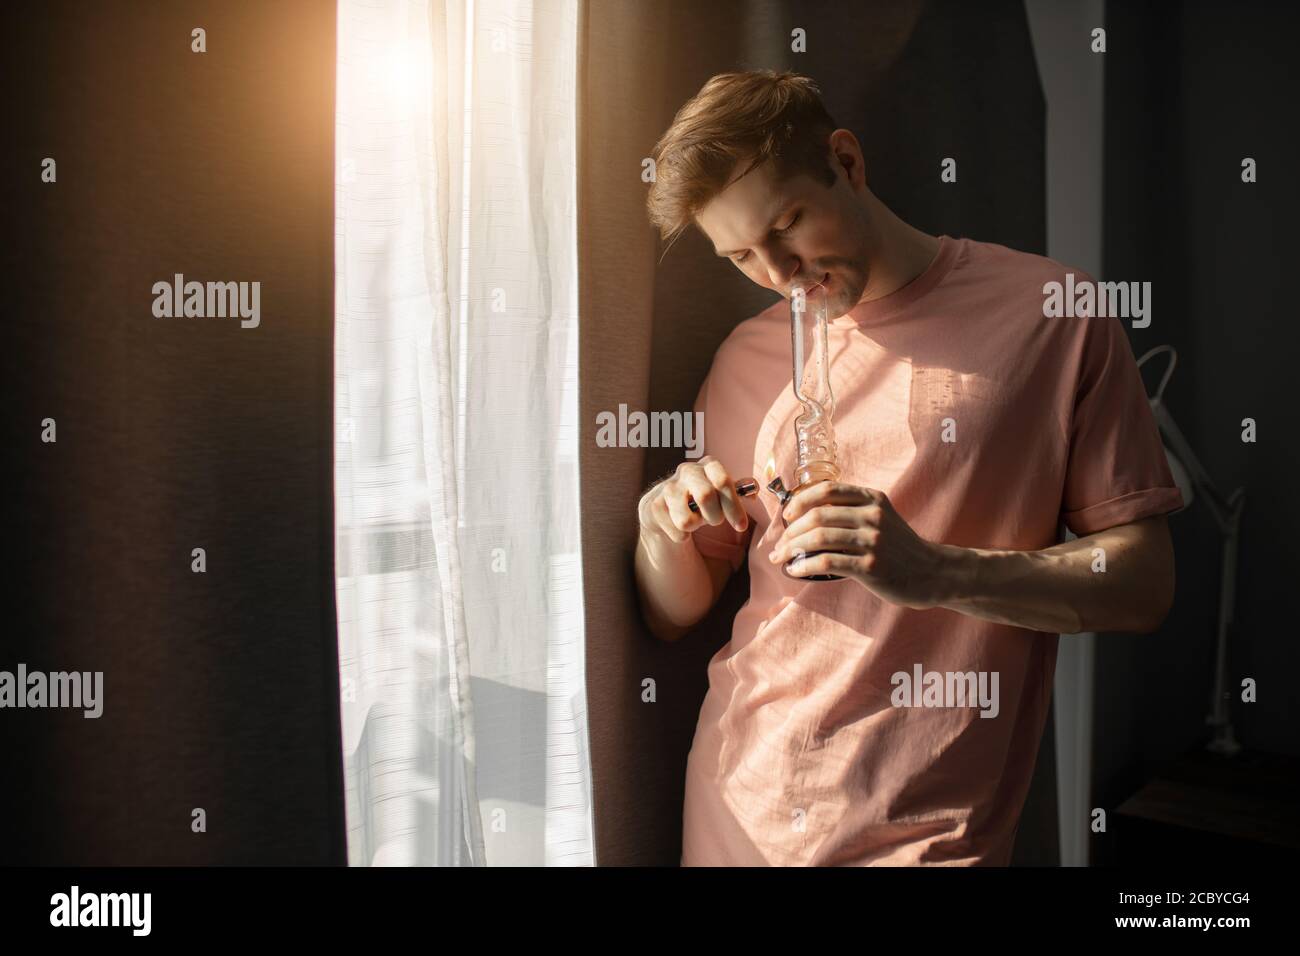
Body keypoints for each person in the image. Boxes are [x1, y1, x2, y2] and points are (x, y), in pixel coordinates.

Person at [633, 70, 1181, 866]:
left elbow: (1143, 586)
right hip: (738, 810)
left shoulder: (1054, 314)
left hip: (931, 834)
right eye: (742, 255)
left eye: (789, 224)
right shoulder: (745, 358)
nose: (782, 275)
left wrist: (935, 571)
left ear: (847, 163)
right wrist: (665, 525)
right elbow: (672, 614)